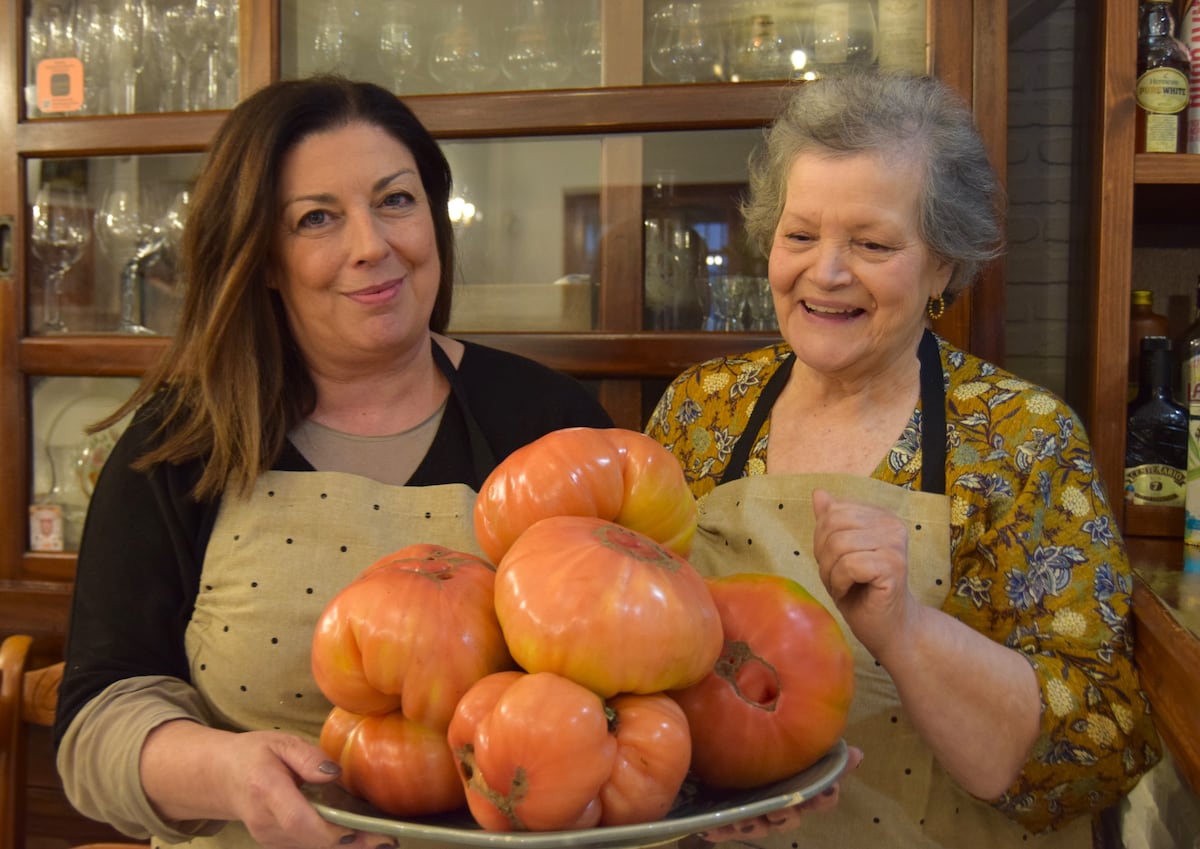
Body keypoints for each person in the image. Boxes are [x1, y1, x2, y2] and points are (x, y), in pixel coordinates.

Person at [53, 75, 617, 849]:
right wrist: (228, 772)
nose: (372, 246)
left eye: (395, 200)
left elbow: (637, 685)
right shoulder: (184, 441)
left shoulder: (551, 423)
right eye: (318, 218)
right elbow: (97, 722)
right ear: (264, 261)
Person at [645, 69, 1161, 849]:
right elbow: (629, 654)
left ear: (944, 266)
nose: (825, 272)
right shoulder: (699, 407)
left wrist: (909, 629)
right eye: (800, 234)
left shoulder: (1021, 438)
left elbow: (1094, 747)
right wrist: (693, 790)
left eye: (873, 243)